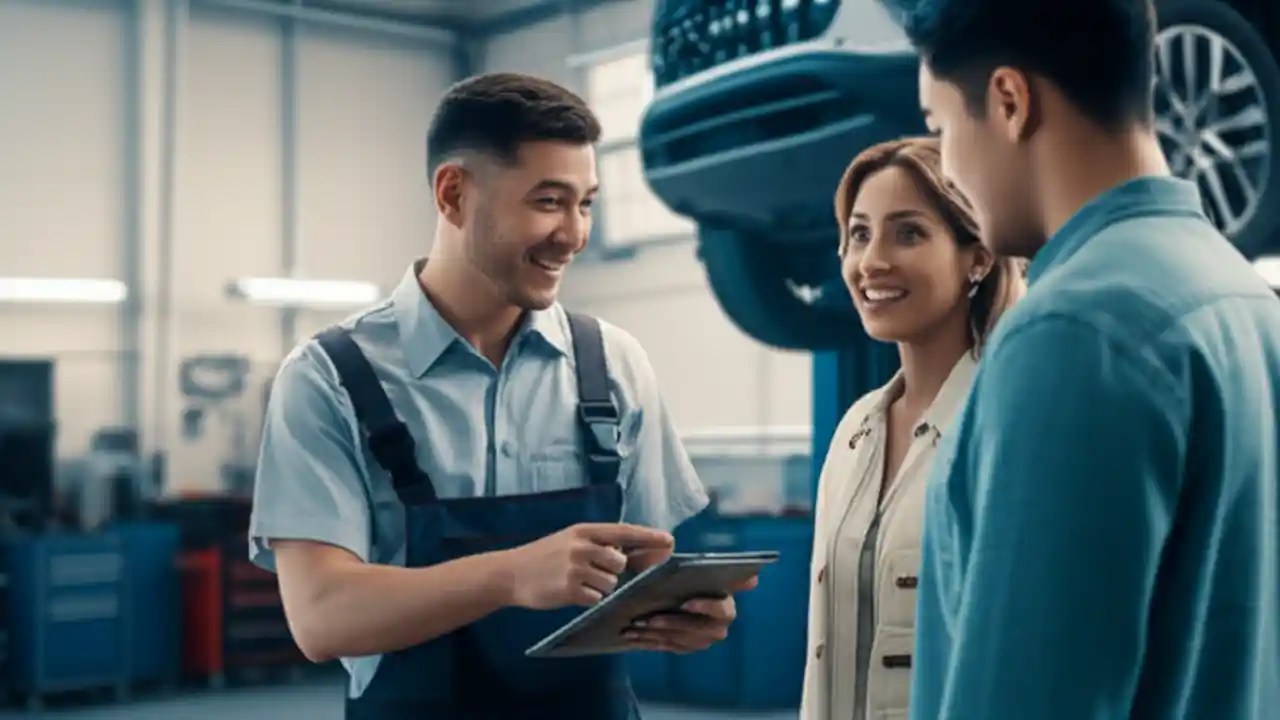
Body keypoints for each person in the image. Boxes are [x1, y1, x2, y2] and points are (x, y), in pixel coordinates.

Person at [248, 72, 754, 720]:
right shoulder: (328, 379)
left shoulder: (614, 366)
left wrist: (678, 605)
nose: (574, 234)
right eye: (548, 201)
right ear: (454, 194)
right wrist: (514, 574)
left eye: (586, 203)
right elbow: (321, 617)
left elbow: (645, 556)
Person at [878, 0, 1280, 717]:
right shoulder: (1248, 301)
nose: (948, 168)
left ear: (1008, 101)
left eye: (940, 129)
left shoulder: (1073, 331)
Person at [800, 137, 1023, 720]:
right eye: (859, 234)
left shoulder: (1007, 423)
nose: (871, 261)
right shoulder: (854, 432)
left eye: (909, 233)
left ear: (977, 257)